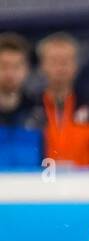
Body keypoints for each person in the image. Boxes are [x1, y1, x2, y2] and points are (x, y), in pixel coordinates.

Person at [36, 32, 89, 167]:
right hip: (43, 183)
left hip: (86, 183)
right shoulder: (31, 109)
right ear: (42, 66)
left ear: (76, 65)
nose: (60, 67)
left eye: (65, 61)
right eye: (54, 61)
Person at [0, 33, 42, 169]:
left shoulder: (39, 112)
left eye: (16, 66)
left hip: (31, 187)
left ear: (27, 70)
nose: (10, 73)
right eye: (4, 66)